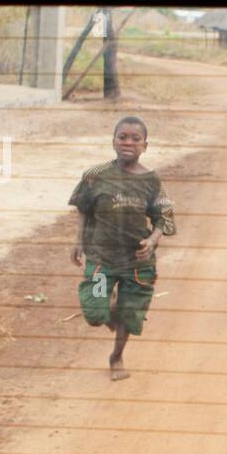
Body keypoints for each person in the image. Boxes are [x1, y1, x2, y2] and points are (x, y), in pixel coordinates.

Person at [68, 116, 176, 381]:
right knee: (96, 313)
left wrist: (152, 240)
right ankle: (110, 308)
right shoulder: (95, 176)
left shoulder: (151, 181)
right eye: (123, 137)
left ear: (145, 146)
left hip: (137, 262)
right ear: (113, 141)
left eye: (135, 139)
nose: (128, 142)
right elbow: (83, 209)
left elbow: (165, 217)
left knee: (129, 315)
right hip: (102, 259)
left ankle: (116, 357)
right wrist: (78, 241)